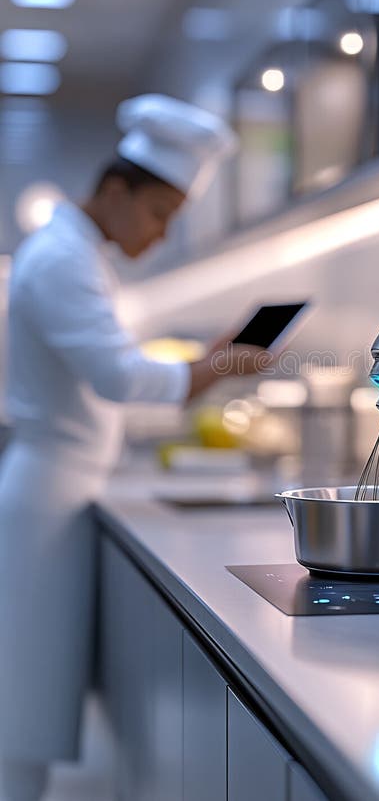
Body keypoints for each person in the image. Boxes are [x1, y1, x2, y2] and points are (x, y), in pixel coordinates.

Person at [0, 95, 268, 801]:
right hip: (48, 493)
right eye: (159, 216)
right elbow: (119, 375)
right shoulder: (62, 258)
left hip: (62, 485)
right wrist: (223, 364)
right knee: (25, 695)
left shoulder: (76, 255)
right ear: (115, 190)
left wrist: (210, 364)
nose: (159, 236)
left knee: (33, 690)